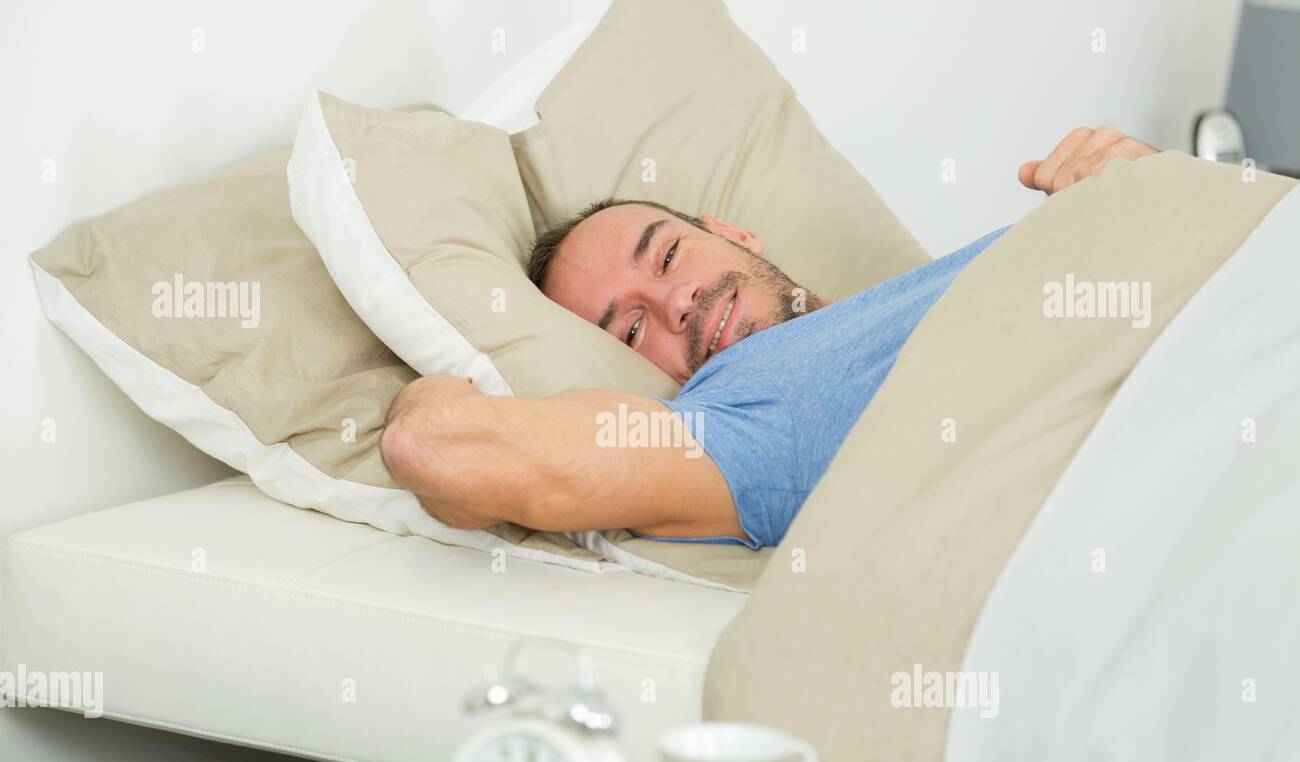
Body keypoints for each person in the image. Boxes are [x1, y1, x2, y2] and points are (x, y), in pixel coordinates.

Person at [380, 128, 1156, 547]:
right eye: (631, 327)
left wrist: (1147, 187)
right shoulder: (741, 418)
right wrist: (433, 387)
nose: (675, 301)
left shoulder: (905, 296)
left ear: (728, 231)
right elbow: (441, 448)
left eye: (670, 254)